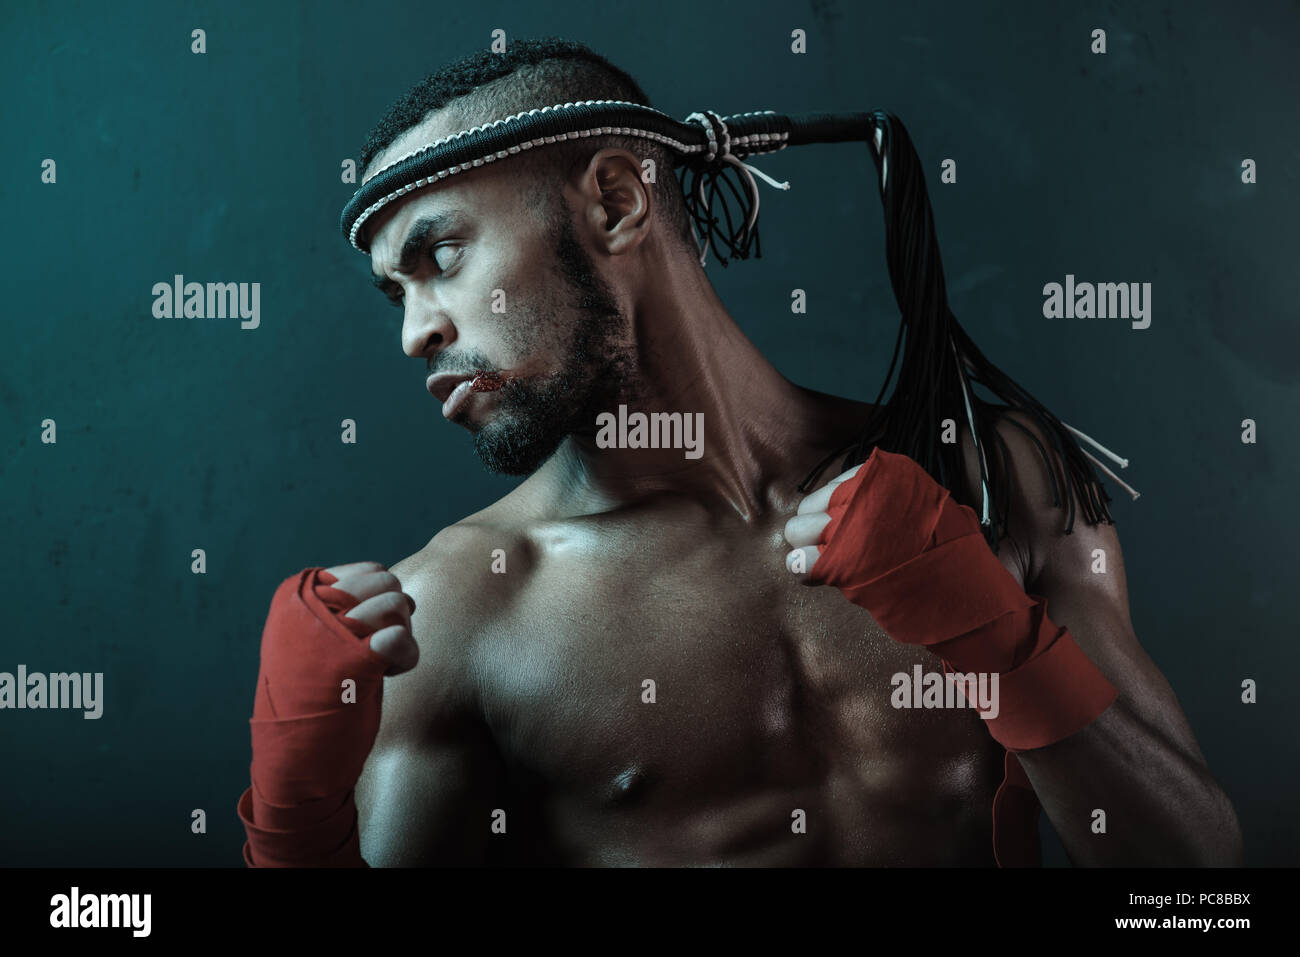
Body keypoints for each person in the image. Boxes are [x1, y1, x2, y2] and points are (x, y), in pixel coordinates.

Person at [237, 38, 1242, 867]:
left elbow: (1194, 886)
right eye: (395, 293)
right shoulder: (458, 613)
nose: (415, 332)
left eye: (440, 254)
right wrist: (293, 828)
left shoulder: (992, 471)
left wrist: (996, 640)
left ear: (617, 203)